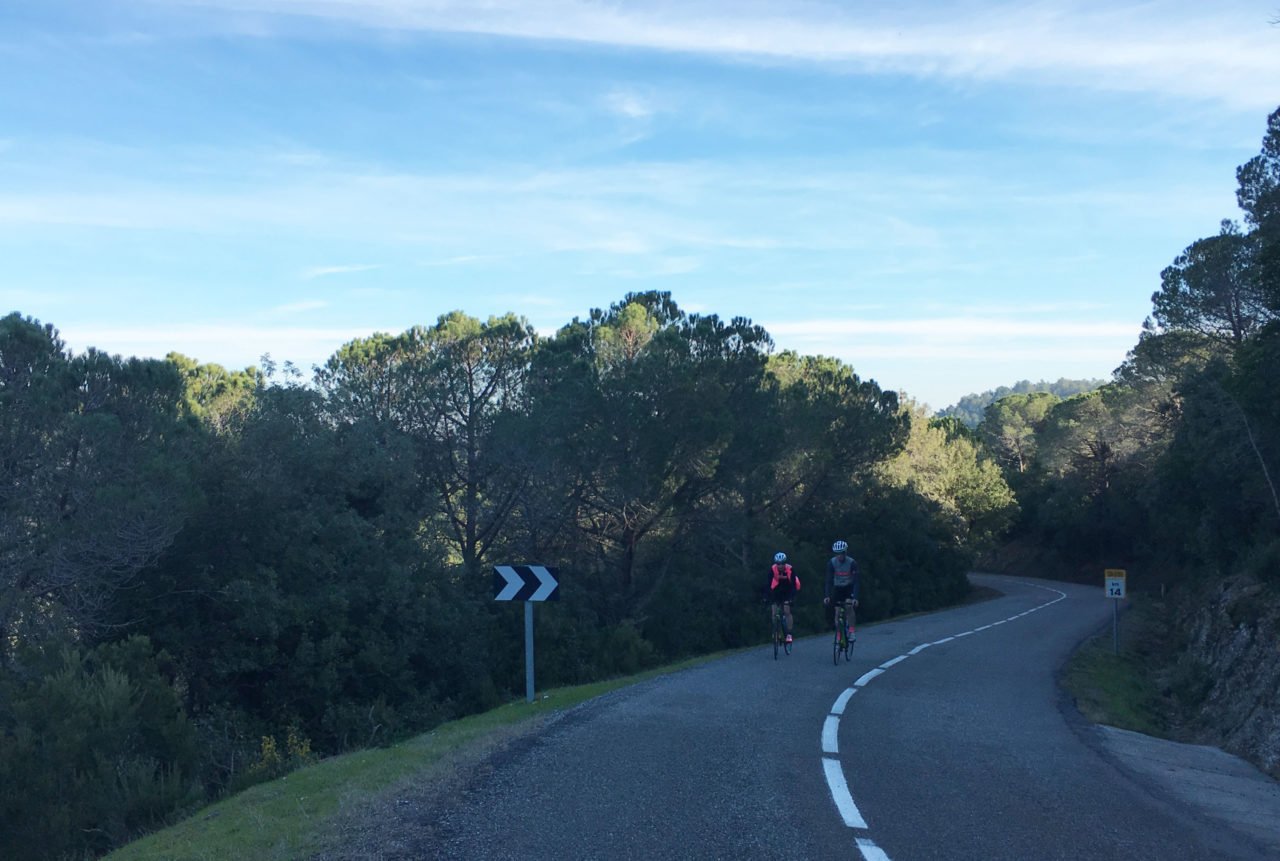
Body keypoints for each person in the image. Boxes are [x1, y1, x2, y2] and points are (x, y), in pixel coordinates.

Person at [824, 540, 860, 643]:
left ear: (845, 553)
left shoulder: (852, 563)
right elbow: (828, 580)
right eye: (838, 554)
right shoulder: (831, 563)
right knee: (837, 612)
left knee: (849, 606)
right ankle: (839, 634)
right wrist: (827, 595)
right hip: (837, 588)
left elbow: (856, 581)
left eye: (842, 553)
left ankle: (852, 631)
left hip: (849, 587)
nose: (840, 556)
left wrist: (855, 598)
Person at [766, 551, 800, 644]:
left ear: (785, 563)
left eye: (782, 563)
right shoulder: (772, 569)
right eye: (778, 564)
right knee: (774, 612)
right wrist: (767, 596)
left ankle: (789, 633)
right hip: (777, 590)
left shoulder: (790, 569)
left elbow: (793, 585)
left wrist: (791, 599)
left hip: (788, 591)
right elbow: (768, 584)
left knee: (786, 610)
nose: (780, 566)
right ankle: (776, 631)